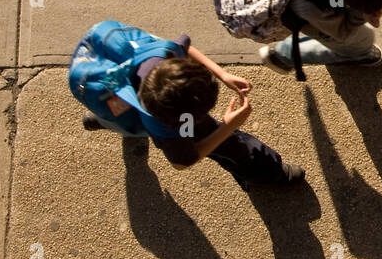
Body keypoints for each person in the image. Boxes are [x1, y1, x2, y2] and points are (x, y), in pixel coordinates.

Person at [78, 26, 303, 188]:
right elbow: (182, 162)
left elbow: (184, 49)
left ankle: (104, 120)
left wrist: (222, 74)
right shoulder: (167, 124)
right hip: (147, 111)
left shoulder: (165, 63)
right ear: (183, 120)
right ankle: (268, 172)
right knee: (225, 144)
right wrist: (227, 127)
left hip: (107, 94)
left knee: (118, 117)